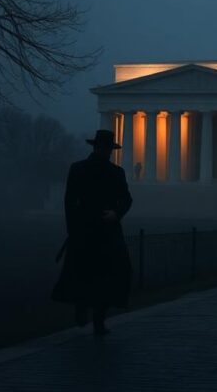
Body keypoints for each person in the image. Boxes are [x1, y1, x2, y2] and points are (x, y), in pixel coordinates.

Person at [51, 129, 133, 336]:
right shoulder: (79, 169)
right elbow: (70, 202)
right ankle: (84, 308)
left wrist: (116, 214)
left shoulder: (116, 172)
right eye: (103, 148)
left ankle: (98, 319)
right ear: (97, 148)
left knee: (107, 276)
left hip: (105, 230)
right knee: (87, 274)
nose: (106, 152)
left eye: (107, 149)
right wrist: (75, 227)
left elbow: (126, 199)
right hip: (87, 230)